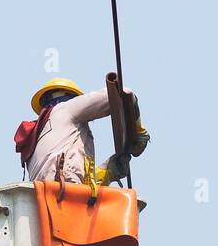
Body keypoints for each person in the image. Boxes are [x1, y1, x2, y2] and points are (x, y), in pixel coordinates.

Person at [14, 77, 149, 184]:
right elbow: (124, 93)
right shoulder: (66, 108)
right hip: (65, 191)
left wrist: (106, 173)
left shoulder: (37, 137)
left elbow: (56, 177)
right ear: (74, 97)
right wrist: (138, 131)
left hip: (45, 204)